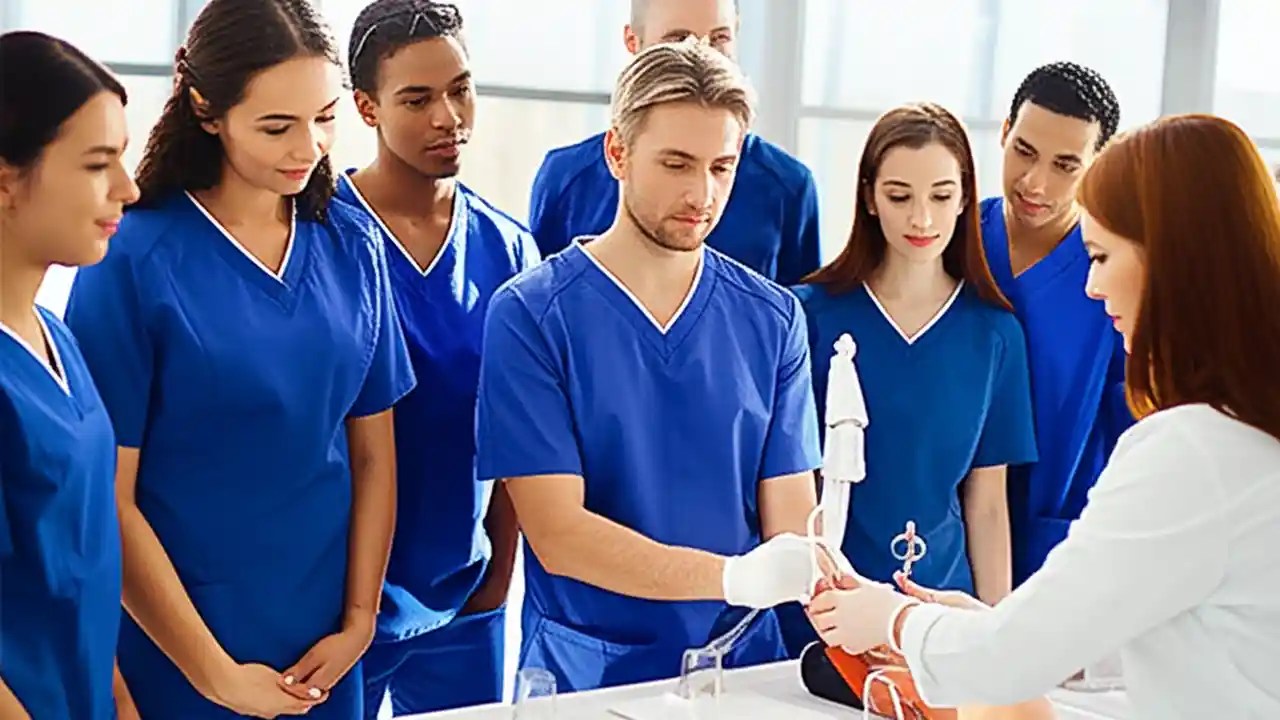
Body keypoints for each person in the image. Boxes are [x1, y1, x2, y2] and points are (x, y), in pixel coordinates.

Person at [806, 113, 1280, 718]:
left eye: (1101, 256)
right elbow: (1172, 635)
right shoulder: (1246, 437)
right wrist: (981, 625)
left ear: (1171, 262)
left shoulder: (1190, 453)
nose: (1091, 287)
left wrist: (893, 619)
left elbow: (1015, 657)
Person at [63, 1, 415, 717]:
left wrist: (359, 621)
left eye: (324, 117)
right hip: (179, 655)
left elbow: (372, 452)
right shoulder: (132, 257)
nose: (308, 147)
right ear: (206, 109)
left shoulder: (353, 244)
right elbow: (108, 498)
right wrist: (215, 675)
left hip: (323, 655)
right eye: (277, 126)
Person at [475, 38, 824, 694]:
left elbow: (792, 527)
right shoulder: (531, 315)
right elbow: (558, 535)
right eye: (676, 163)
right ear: (617, 153)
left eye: (722, 167)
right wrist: (731, 577)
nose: (702, 193)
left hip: (741, 667)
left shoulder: (775, 319)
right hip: (590, 674)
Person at [335, 1, 539, 715]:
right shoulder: (321, 232)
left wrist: (496, 584)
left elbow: (519, 436)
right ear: (367, 107)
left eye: (460, 89)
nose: (448, 117)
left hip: (464, 600)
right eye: (417, 99)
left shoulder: (509, 250)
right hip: (333, 606)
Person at [793, 103, 1036, 609]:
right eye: (899, 196)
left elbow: (988, 504)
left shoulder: (995, 334)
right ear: (870, 198)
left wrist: (996, 629)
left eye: (941, 196)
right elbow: (784, 484)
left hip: (943, 610)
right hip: (825, 604)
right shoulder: (809, 317)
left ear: (965, 197)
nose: (922, 218)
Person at [0, 31, 140, 720]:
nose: (128, 188)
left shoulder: (55, 338)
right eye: (97, 163)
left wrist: (114, 692)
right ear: (4, 180)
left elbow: (79, 566)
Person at [527, 0, 821, 285]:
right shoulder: (566, 176)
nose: (702, 55)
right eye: (679, 39)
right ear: (633, 41)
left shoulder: (788, 185)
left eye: (719, 39)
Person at [979, 62, 1132, 586]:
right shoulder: (948, 238)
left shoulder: (1118, 273)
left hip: (1063, 552)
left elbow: (1137, 431)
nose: (1035, 183)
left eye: (1066, 165)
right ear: (1004, 132)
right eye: (1024, 151)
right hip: (942, 541)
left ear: (1099, 164)